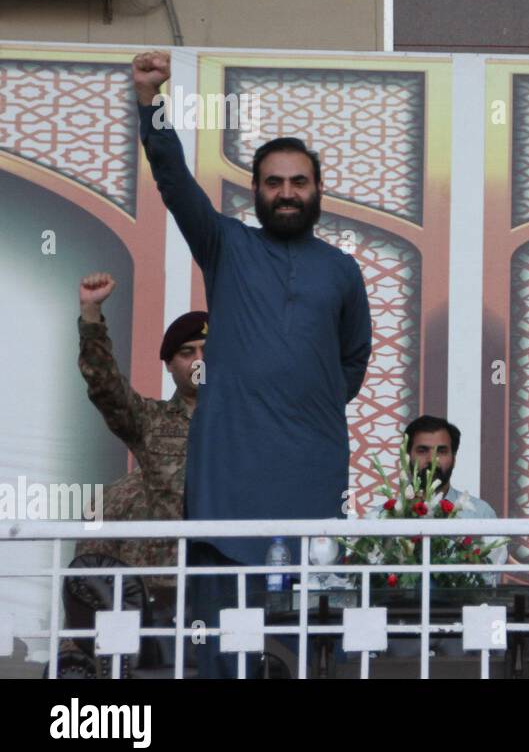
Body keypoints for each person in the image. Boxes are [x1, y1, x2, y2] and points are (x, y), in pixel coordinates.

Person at [132, 50, 373, 678]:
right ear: (256, 191)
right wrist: (151, 104)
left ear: (318, 190)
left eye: (299, 182)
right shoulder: (226, 245)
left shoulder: (342, 270)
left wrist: (303, 402)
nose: (287, 193)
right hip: (230, 469)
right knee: (220, 633)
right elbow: (174, 180)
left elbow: (352, 361)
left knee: (308, 626)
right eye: (274, 182)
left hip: (310, 467)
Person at [75, 271, 205, 580]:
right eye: (188, 353)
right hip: (165, 581)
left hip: (230, 578)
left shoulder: (247, 422)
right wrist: (91, 315)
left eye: (208, 350)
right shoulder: (151, 419)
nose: (200, 360)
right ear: (169, 365)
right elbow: (107, 389)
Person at [401, 415, 507, 577]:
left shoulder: (480, 513)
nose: (432, 460)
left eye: (441, 451)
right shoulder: (383, 516)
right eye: (422, 451)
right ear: (407, 457)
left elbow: (488, 581)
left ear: (454, 458)